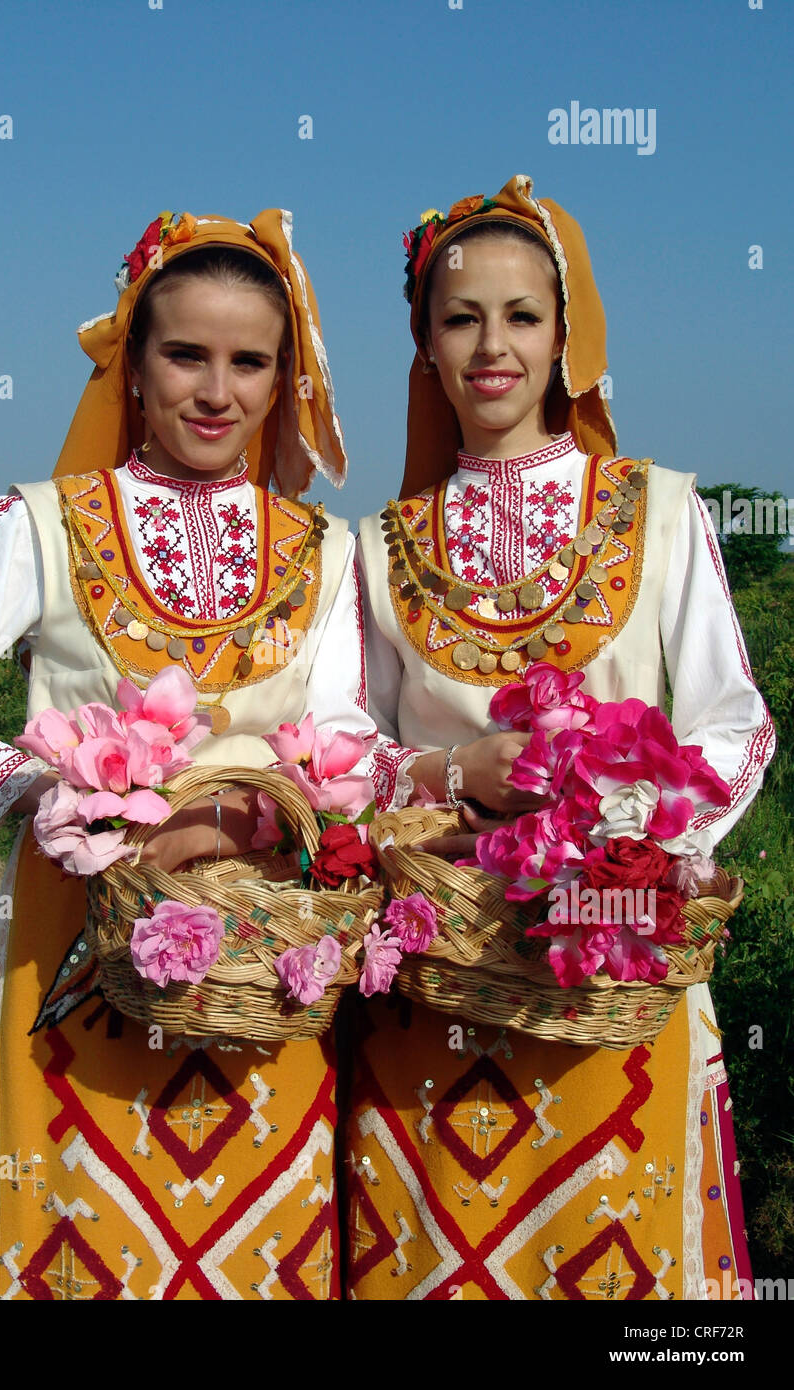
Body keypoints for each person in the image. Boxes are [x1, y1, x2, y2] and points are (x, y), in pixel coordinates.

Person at [0, 208, 374, 1301]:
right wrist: (50, 787)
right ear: (130, 367)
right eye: (184, 353)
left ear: (284, 382)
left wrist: (249, 811)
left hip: (257, 963)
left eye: (248, 361)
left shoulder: (326, 554)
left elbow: (348, 733)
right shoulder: (41, 524)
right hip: (74, 944)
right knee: (65, 1232)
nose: (215, 391)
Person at [350, 174, 775, 1300]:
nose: (490, 346)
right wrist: (450, 775)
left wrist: (620, 834)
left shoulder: (658, 508)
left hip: (614, 964)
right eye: (458, 317)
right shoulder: (377, 544)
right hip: (434, 985)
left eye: (520, 315)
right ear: (424, 342)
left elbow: (733, 719)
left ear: (564, 335)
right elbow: (344, 739)